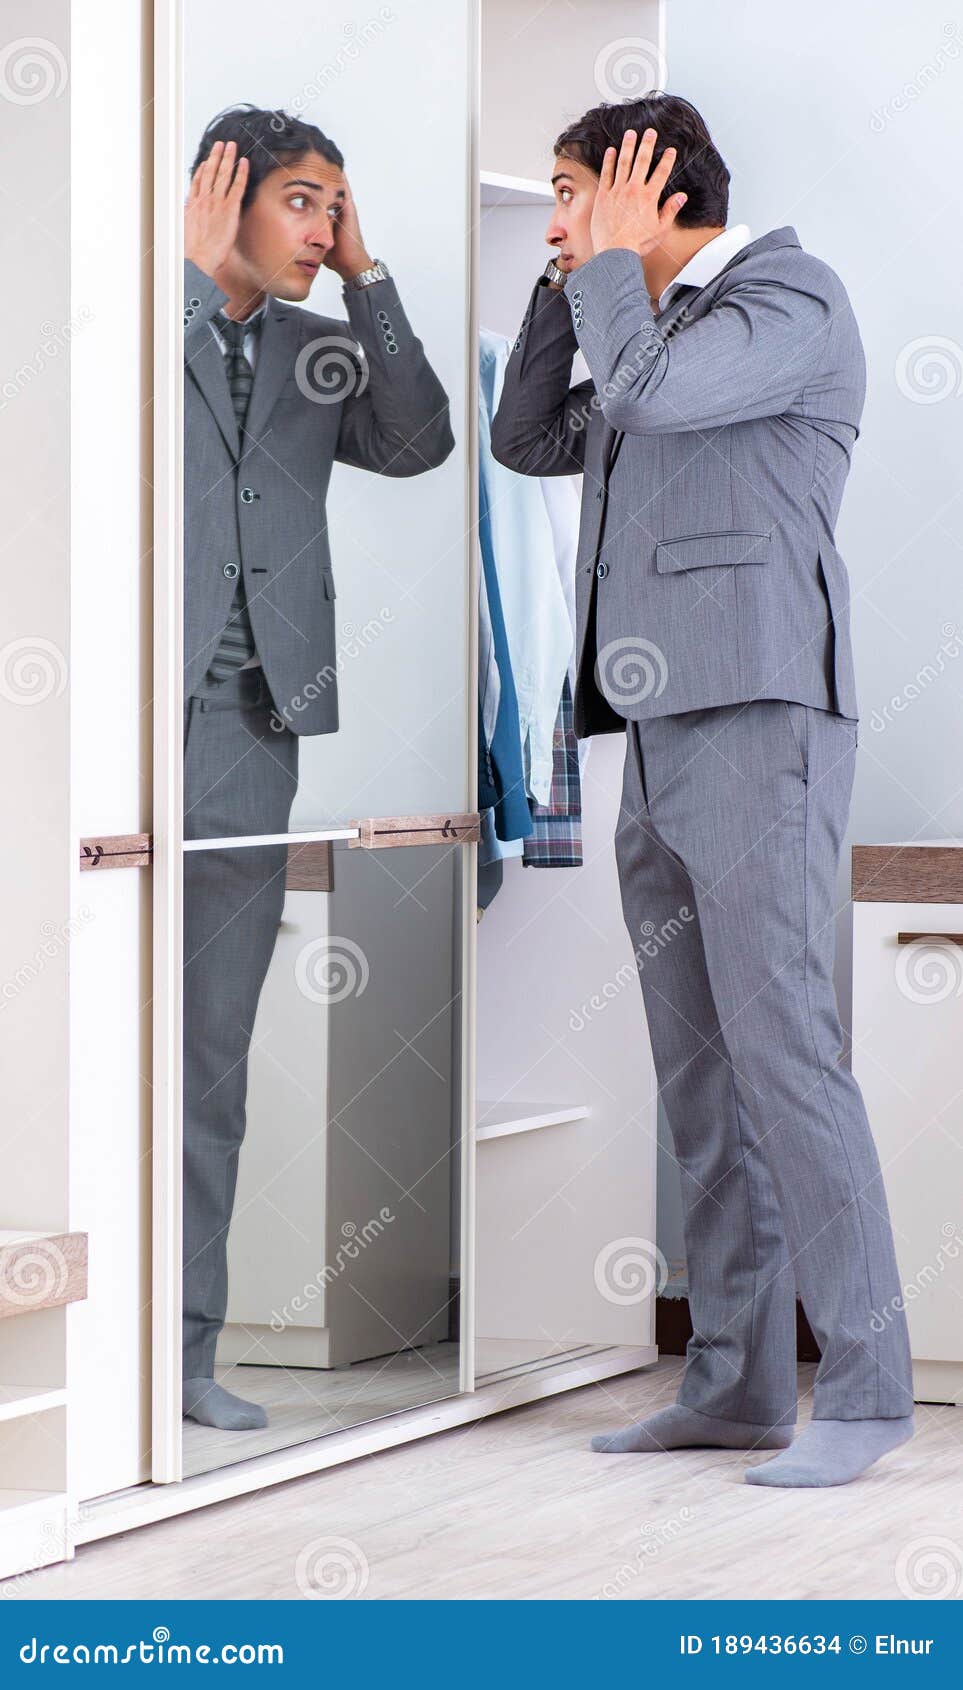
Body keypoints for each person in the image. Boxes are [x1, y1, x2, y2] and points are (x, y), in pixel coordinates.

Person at [491, 91, 914, 1488]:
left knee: (786, 1049)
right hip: (657, 728)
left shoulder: (790, 298)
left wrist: (605, 266)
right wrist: (576, 276)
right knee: (701, 1072)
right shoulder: (634, 325)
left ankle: (865, 1386)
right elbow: (529, 439)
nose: (557, 219)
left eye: (573, 191)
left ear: (649, 186)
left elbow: (658, 400)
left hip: (764, 715)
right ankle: (734, 1385)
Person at [181, 107, 453, 1431]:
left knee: (209, 1052)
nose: (324, 227)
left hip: (248, 728)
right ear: (221, 195)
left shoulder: (315, 349)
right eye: (302, 201)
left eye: (337, 205)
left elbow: (419, 440)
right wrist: (184, 278)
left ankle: (179, 1352)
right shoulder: (127, 315)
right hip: (111, 725)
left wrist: (371, 276)